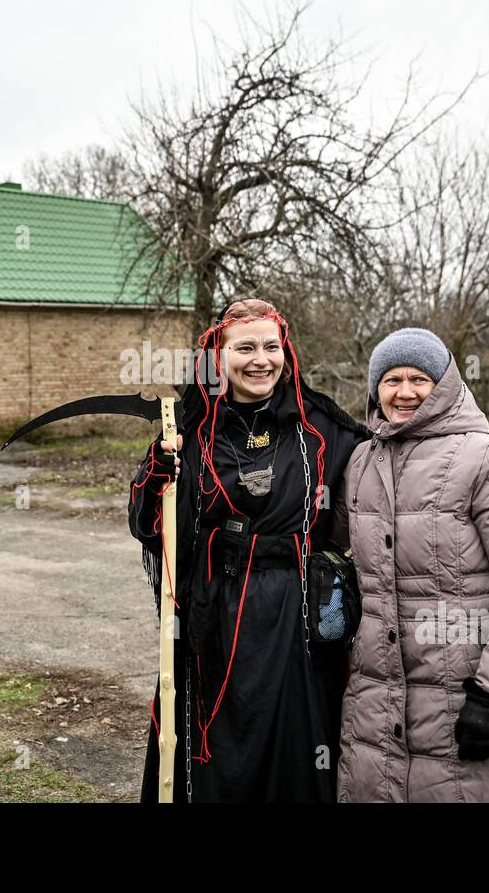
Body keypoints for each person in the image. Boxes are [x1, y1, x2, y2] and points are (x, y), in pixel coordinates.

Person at [127, 298, 368, 802]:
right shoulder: (189, 431)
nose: (261, 359)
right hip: (215, 610)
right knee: (218, 740)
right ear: (219, 358)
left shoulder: (319, 426)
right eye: (245, 348)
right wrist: (160, 475)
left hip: (298, 613)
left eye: (271, 346)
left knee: (299, 742)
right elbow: (151, 527)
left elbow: (391, 460)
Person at [338, 327, 489, 802]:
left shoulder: (485, 457)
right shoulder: (360, 462)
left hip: (466, 699)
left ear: (445, 386)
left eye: (420, 378)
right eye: (391, 379)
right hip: (380, 706)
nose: (405, 391)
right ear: (375, 388)